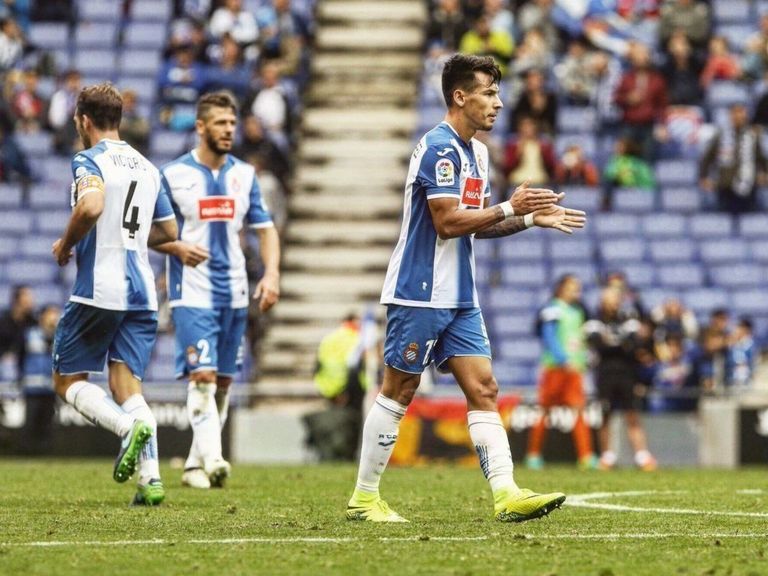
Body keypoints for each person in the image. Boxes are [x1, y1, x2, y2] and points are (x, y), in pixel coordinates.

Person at [345, 53, 586, 523]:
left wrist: (528, 217)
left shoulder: (478, 152)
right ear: (460, 96)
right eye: (489, 93)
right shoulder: (438, 147)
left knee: (485, 387)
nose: (499, 103)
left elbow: (477, 225)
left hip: (460, 296)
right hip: (419, 290)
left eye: (498, 93)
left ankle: (507, 494)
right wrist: (507, 206)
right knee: (400, 388)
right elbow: (447, 221)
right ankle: (364, 496)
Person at [50, 83, 178, 505]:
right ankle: (151, 480)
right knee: (128, 386)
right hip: (142, 292)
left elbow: (90, 207)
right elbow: (170, 232)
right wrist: (135, 238)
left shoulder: (88, 160)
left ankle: (126, 429)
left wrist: (66, 245)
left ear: (84, 120)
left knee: (67, 380)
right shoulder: (148, 167)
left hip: (99, 289)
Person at [153, 91, 280, 490]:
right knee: (203, 377)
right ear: (201, 126)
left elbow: (266, 229)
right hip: (190, 292)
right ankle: (214, 456)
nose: (229, 130)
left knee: (223, 382)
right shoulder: (172, 175)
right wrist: (175, 246)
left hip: (235, 293)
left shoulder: (245, 175)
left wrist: (272, 273)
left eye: (232, 123)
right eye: (221, 124)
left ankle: (194, 463)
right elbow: (147, 232)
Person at [526, 275, 596, 470]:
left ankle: (585, 456)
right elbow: (549, 337)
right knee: (545, 410)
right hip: (556, 369)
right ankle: (533, 455)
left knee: (579, 410)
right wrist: (563, 359)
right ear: (561, 289)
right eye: (573, 287)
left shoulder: (578, 311)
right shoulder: (552, 309)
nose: (577, 291)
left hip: (574, 370)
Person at [585, 286, 657, 471]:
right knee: (605, 415)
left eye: (617, 299)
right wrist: (620, 344)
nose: (614, 303)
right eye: (610, 299)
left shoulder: (629, 318)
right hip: (605, 374)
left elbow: (634, 346)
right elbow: (599, 346)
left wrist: (613, 343)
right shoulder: (594, 320)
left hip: (627, 373)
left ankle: (642, 456)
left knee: (632, 414)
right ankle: (607, 456)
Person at [305, 313, 369, 461]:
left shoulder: (329, 339)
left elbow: (318, 366)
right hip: (352, 389)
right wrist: (345, 389)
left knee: (332, 423)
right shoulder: (356, 339)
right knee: (351, 424)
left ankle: (329, 453)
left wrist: (326, 388)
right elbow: (353, 367)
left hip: (328, 388)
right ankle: (347, 454)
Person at [699, 103, 768, 214]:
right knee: (724, 221)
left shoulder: (753, 136)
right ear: (730, 115)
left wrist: (765, 173)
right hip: (725, 186)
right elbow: (707, 158)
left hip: (748, 186)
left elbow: (762, 158)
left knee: (749, 222)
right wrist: (704, 177)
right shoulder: (721, 135)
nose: (739, 116)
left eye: (741, 112)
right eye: (735, 112)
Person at [19, 304, 60, 455]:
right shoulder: (30, 334)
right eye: (51, 314)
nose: (54, 318)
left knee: (47, 423)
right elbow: (20, 356)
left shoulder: (60, 336)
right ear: (42, 316)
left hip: (51, 387)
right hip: (32, 387)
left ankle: (46, 454)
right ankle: (25, 454)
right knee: (30, 423)